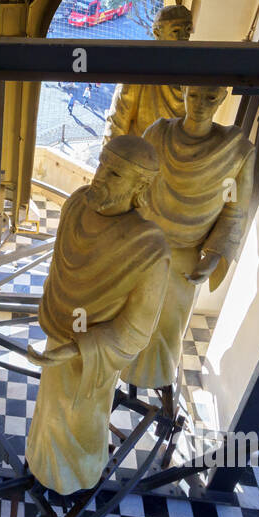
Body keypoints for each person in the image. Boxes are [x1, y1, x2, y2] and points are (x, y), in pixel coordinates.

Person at [26, 135, 171, 494]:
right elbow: (57, 270)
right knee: (49, 411)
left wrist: (78, 349)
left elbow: (135, 332)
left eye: (116, 173)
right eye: (103, 164)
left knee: (80, 418)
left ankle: (75, 477)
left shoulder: (150, 250)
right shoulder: (75, 206)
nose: (101, 176)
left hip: (94, 360)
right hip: (57, 335)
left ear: (140, 187)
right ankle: (42, 464)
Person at [122, 86, 254, 415]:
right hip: (144, 245)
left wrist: (214, 255)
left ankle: (163, 388)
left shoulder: (236, 150)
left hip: (185, 256)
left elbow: (234, 211)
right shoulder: (158, 134)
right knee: (128, 316)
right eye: (194, 95)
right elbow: (135, 184)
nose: (200, 104)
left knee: (167, 330)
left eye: (210, 97)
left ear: (222, 98)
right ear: (185, 94)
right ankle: (122, 373)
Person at [104, 4, 194, 142]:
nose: (184, 36)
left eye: (187, 30)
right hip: (141, 155)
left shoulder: (195, 70)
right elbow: (117, 122)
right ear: (157, 33)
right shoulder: (139, 70)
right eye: (176, 31)